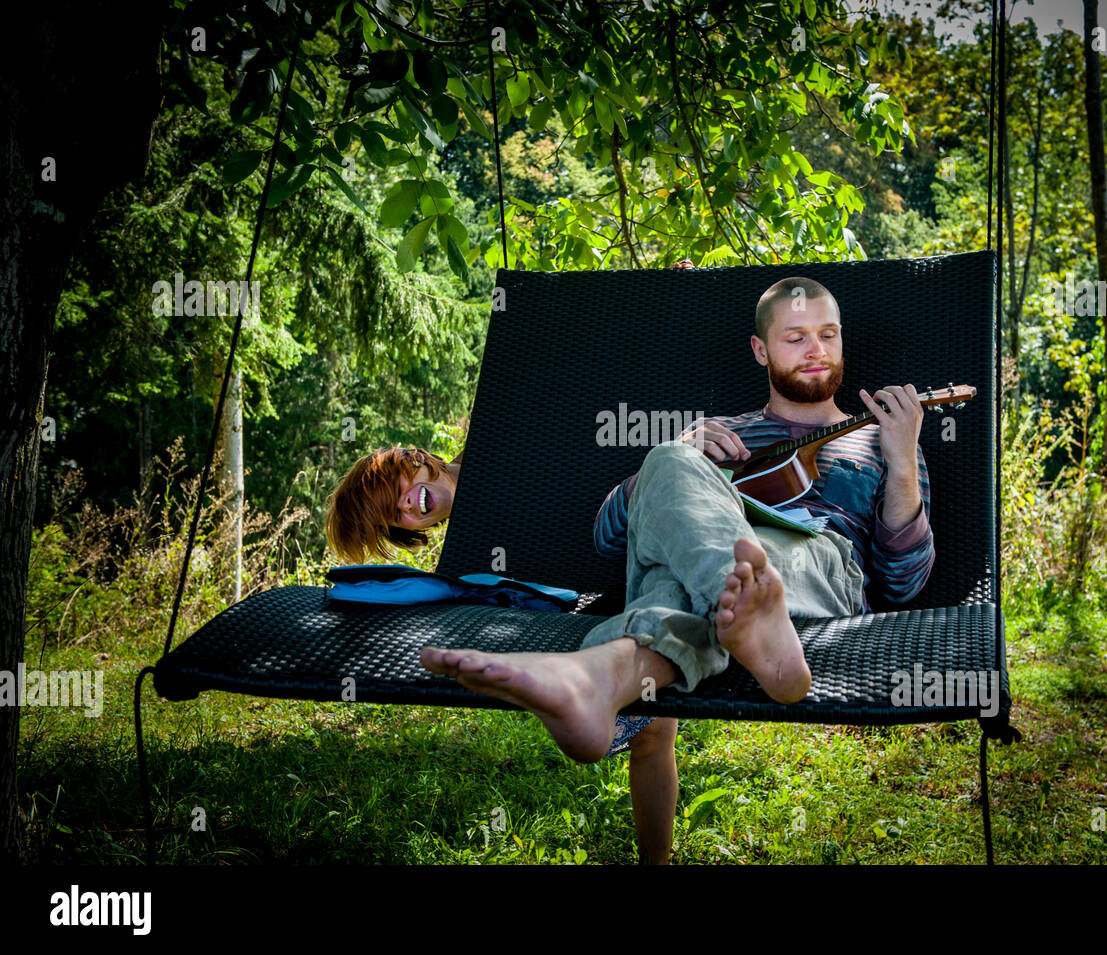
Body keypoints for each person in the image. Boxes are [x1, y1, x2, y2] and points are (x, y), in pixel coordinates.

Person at [419, 273, 936, 863]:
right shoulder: (725, 434)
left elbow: (902, 584)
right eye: (795, 338)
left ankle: (598, 671)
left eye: (828, 334)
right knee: (666, 459)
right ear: (760, 350)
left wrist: (901, 463)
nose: (816, 349)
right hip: (721, 569)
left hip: (817, 559)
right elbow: (609, 536)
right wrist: (680, 455)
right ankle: (719, 639)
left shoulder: (882, 442)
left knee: (688, 576)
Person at [323, 443, 675, 863]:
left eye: (393, 489)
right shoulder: (471, 558)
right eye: (394, 516)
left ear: (414, 459)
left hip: (643, 529)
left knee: (655, 729)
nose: (405, 505)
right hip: (606, 599)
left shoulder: (498, 442)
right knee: (653, 731)